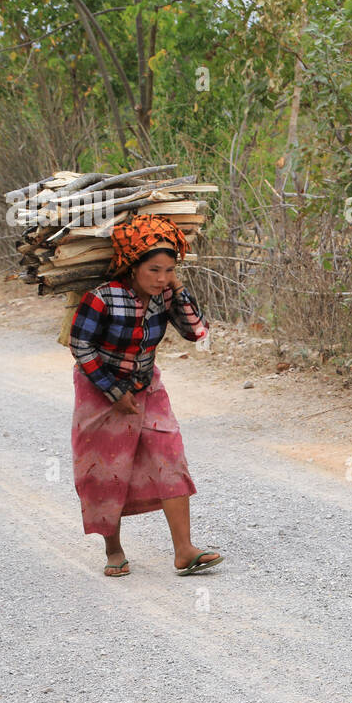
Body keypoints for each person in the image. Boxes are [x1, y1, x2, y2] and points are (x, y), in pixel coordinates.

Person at [68, 213, 223, 577]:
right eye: (154, 270)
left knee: (169, 455)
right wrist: (112, 390)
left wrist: (178, 289)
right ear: (131, 266)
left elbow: (197, 332)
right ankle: (114, 550)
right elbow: (81, 345)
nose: (161, 278)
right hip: (99, 390)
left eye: (169, 270)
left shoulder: (166, 295)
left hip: (146, 387)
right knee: (106, 469)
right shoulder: (102, 298)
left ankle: (184, 551)